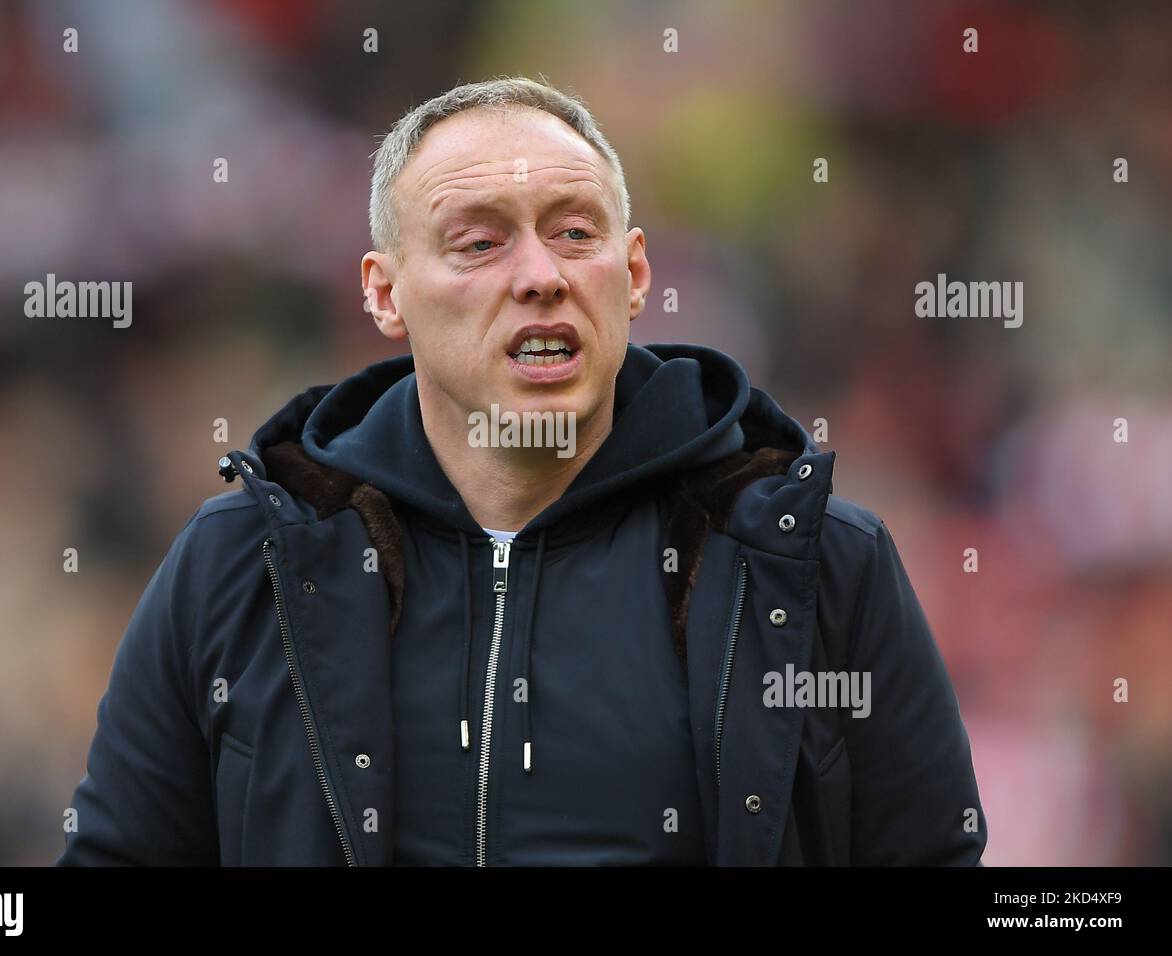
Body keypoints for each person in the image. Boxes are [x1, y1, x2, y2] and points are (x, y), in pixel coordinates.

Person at [57, 76, 987, 866]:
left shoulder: (816, 560)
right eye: (479, 241)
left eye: (575, 234)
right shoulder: (239, 561)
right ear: (384, 292)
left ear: (632, 277)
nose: (540, 274)